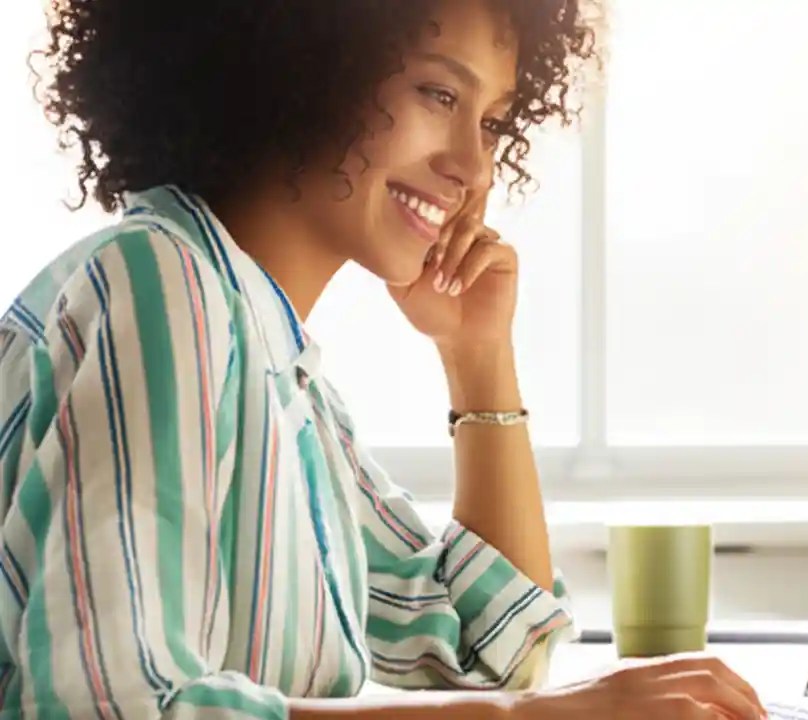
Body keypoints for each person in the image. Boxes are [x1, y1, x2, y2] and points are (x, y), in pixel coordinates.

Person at [0, 1, 768, 718]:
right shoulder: (160, 285)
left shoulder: (282, 376)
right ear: (301, 63)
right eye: (439, 94)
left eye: (493, 120)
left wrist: (477, 354)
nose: (474, 166)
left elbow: (494, 645)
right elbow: (124, 706)